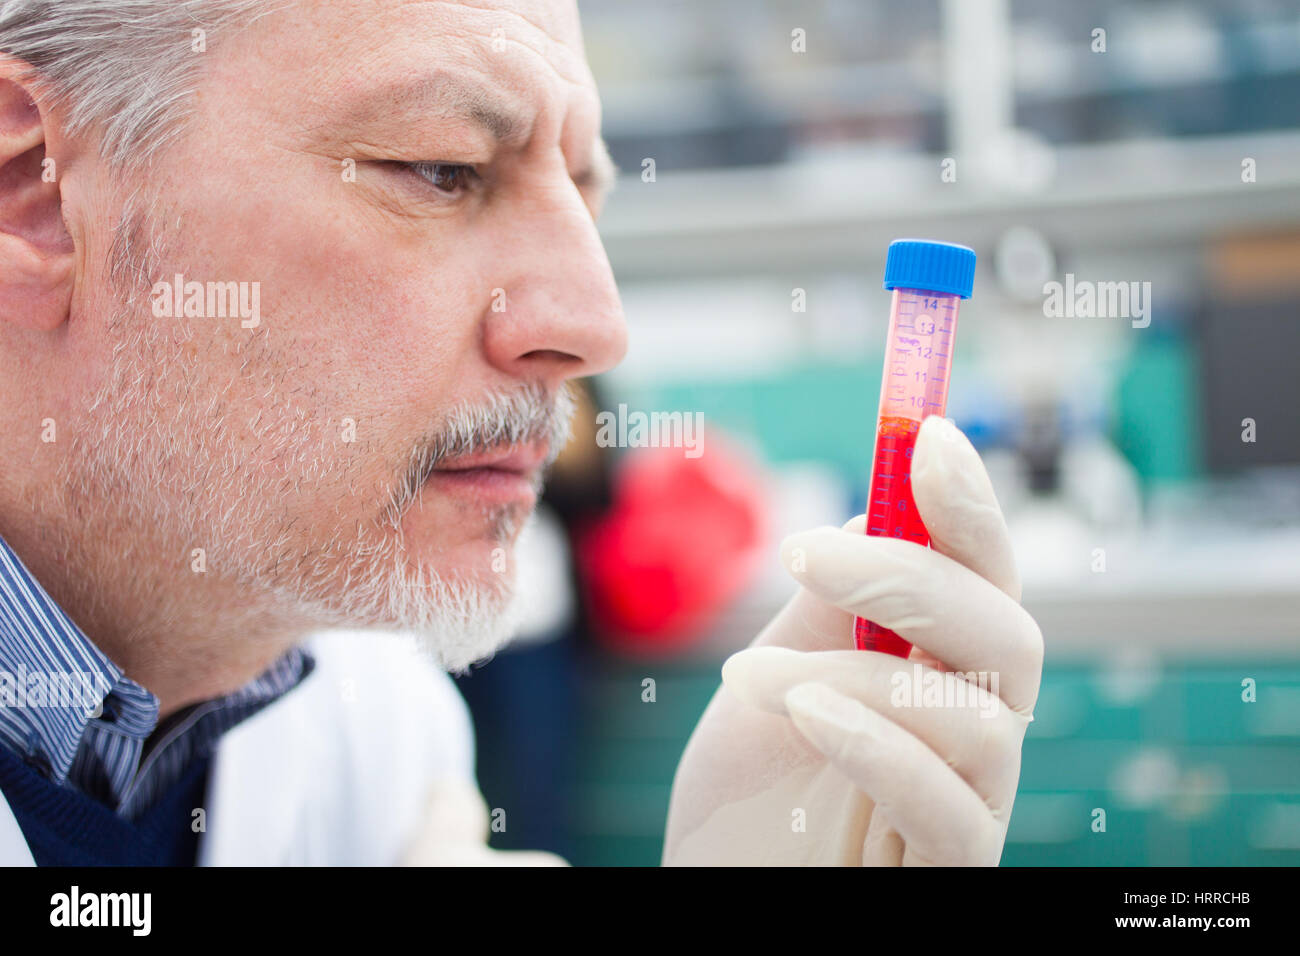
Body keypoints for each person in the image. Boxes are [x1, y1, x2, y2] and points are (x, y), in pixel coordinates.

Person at [0, 0, 1042, 866]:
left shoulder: (376, 737)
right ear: (37, 192)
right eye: (440, 169)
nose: (595, 327)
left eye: (584, 197)